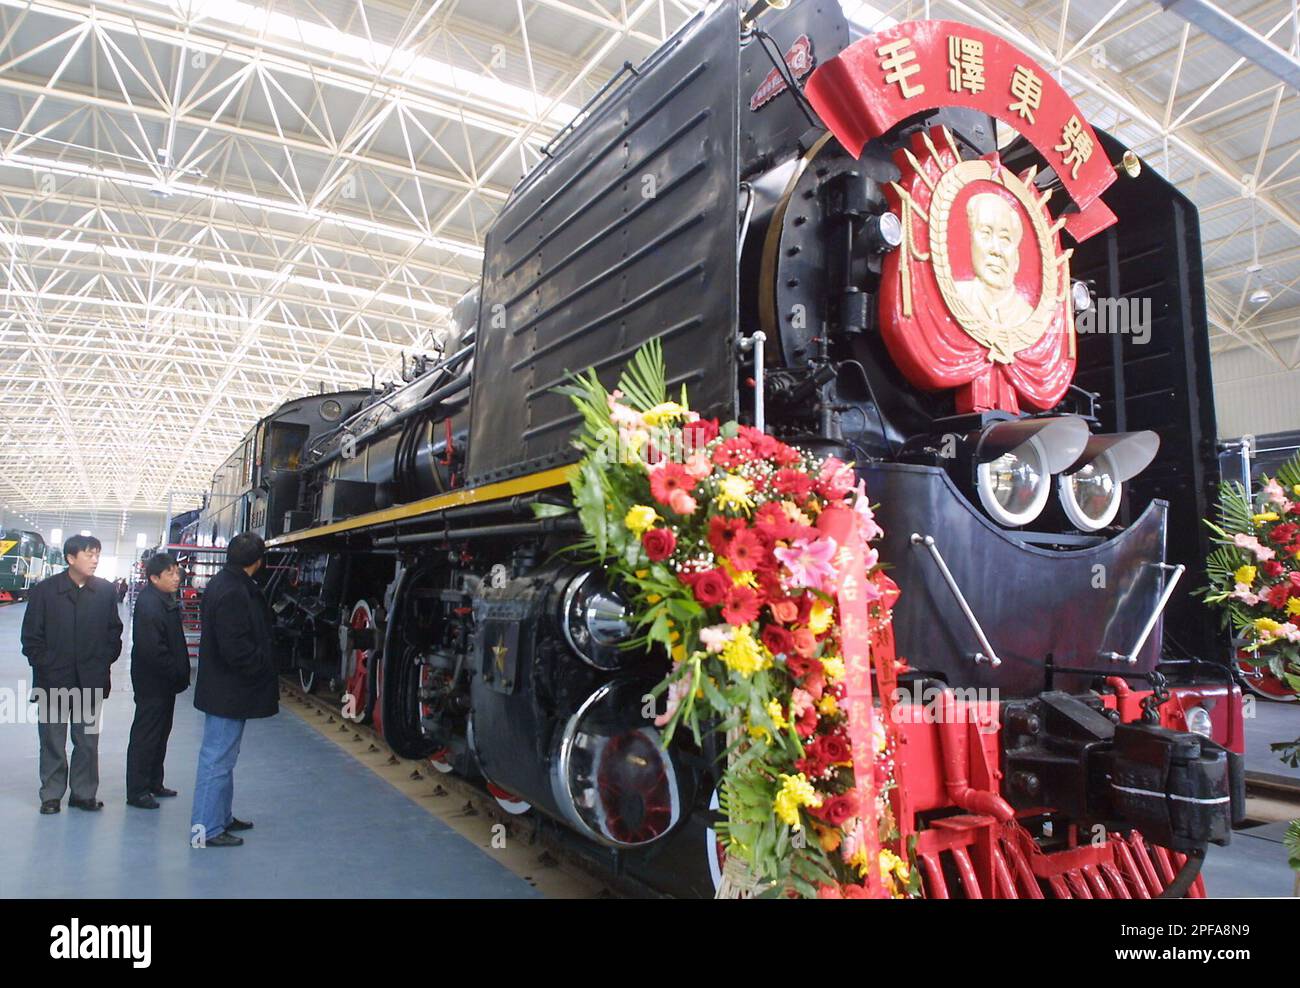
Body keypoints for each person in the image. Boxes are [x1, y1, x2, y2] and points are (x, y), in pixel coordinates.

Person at [19, 534, 123, 814]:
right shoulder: (45, 592)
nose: (95, 560)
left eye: (98, 554)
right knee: (52, 741)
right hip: (53, 682)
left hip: (90, 680)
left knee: (87, 742)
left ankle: (83, 793)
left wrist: (102, 663)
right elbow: (31, 638)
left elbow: (115, 632)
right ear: (70, 558)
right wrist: (46, 666)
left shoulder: (104, 592)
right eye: (89, 554)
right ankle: (51, 795)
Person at [190, 532, 278, 848]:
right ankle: (206, 830)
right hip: (228, 690)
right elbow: (235, 647)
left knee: (224, 756)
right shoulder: (233, 592)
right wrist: (261, 666)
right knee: (217, 758)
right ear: (258, 561)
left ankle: (221, 817)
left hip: (225, 689)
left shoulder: (224, 584)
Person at [125, 553, 191, 809]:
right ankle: (137, 791)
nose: (177, 577)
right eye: (171, 573)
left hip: (163, 682)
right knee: (146, 735)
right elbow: (153, 649)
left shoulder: (164, 599)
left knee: (160, 733)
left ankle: (154, 782)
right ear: (154, 578)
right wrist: (175, 672)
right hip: (153, 682)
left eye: (177, 572)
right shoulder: (150, 604)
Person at [953, 191, 1035, 326]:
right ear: (970, 242)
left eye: (1005, 238)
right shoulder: (956, 295)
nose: (996, 250)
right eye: (986, 233)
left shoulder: (1028, 318)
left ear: (1016, 259)